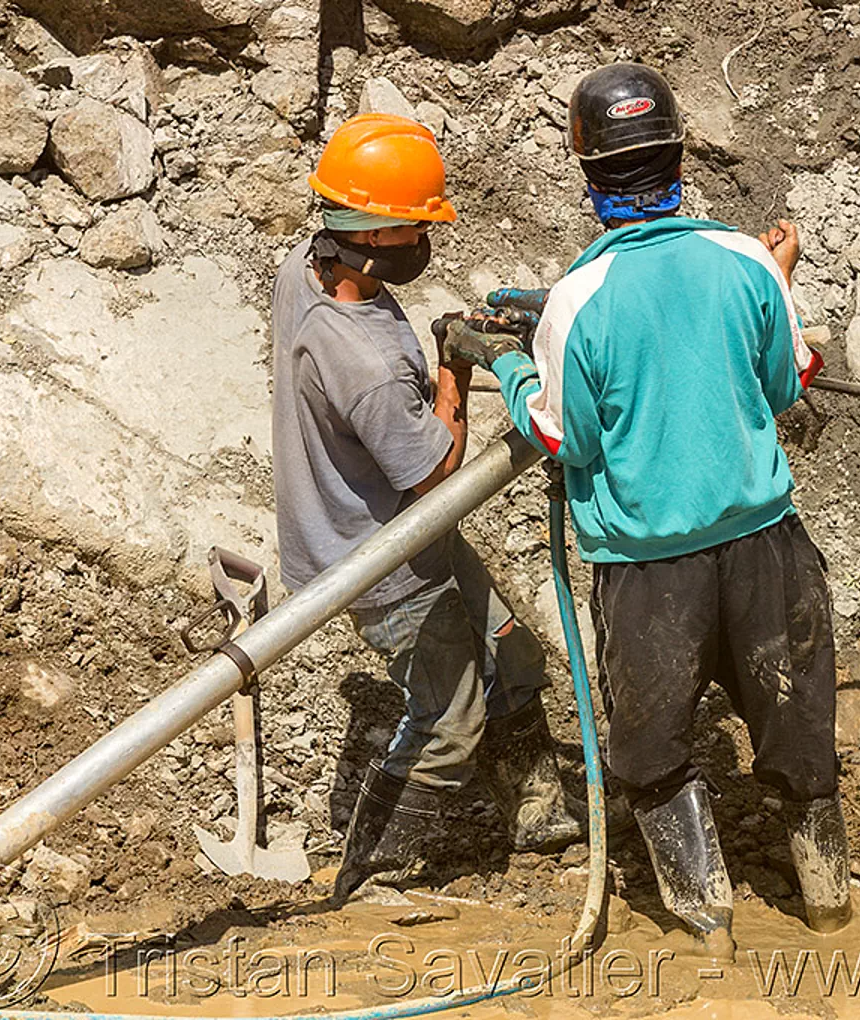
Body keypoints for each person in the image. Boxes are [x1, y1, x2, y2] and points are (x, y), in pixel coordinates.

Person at [442, 65, 850, 956]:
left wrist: (506, 364)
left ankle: (710, 941)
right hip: (765, 548)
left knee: (654, 751)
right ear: (678, 155)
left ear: (590, 178)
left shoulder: (578, 305)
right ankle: (829, 908)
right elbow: (785, 381)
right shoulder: (746, 261)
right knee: (796, 724)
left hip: (648, 571)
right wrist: (775, 282)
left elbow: (567, 440)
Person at [269, 113, 581, 903]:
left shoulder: (302, 269)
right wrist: (455, 371)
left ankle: (540, 810)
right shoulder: (363, 360)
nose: (423, 242)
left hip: (396, 533)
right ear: (374, 236)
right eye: (415, 228)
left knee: (512, 657)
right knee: (447, 719)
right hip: (380, 555)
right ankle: (374, 869)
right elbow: (435, 472)